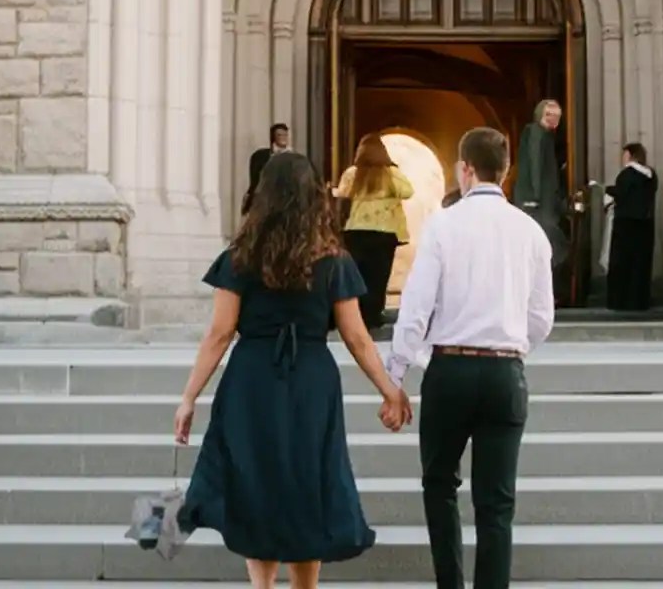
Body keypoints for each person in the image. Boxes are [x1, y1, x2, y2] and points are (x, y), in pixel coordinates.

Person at [174, 152, 412, 589]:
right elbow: (357, 337)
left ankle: (262, 586)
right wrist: (389, 389)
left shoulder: (240, 258)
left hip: (252, 378)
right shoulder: (333, 260)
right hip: (310, 379)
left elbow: (219, 334)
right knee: (308, 477)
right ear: (313, 197)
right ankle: (305, 586)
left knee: (256, 477)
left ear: (263, 195)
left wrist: (189, 397)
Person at [386, 127, 554, 589]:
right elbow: (542, 318)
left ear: (464, 169)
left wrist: (397, 374)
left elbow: (415, 308)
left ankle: (450, 584)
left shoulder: (443, 225)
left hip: (451, 369)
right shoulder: (530, 231)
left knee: (440, 485)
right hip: (504, 371)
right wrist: (510, 347)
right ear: (506, 171)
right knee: (497, 503)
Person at [332, 134, 415, 328]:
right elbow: (408, 191)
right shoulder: (392, 173)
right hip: (385, 232)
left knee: (358, 275)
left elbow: (342, 192)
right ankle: (374, 315)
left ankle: (357, 316)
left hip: (356, 231)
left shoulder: (353, 173)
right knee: (379, 276)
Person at [512, 100, 568, 276]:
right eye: (548, 114)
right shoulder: (536, 133)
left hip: (543, 200)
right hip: (538, 202)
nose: (553, 119)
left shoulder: (544, 136)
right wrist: (533, 198)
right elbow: (535, 164)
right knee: (548, 245)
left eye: (556, 116)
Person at [605, 142, 658, 311]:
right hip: (646, 223)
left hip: (625, 223)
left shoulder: (626, 174)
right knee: (641, 263)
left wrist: (607, 191)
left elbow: (621, 194)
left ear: (629, 155)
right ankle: (639, 301)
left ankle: (620, 301)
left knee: (622, 263)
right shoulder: (651, 175)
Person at [241, 122, 291, 215]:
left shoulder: (294, 158)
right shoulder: (261, 156)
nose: (283, 138)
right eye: (279, 135)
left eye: (285, 135)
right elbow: (255, 180)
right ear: (273, 137)